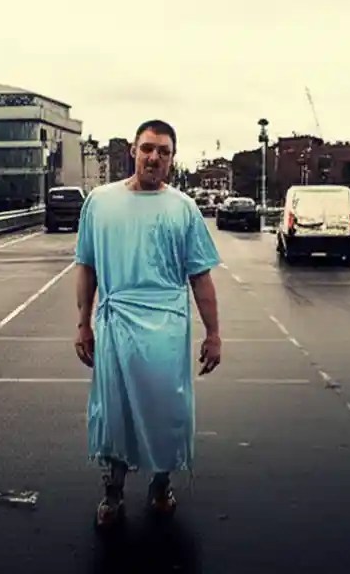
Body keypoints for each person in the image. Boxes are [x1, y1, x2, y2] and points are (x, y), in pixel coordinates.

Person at [73, 119, 222, 529]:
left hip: (166, 331)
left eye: (164, 151)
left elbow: (200, 276)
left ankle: (160, 485)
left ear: (173, 159)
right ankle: (113, 492)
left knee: (165, 410)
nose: (154, 157)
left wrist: (213, 333)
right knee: (114, 411)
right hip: (116, 324)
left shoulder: (183, 209)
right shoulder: (100, 203)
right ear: (134, 152)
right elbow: (86, 266)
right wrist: (83, 324)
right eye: (147, 148)